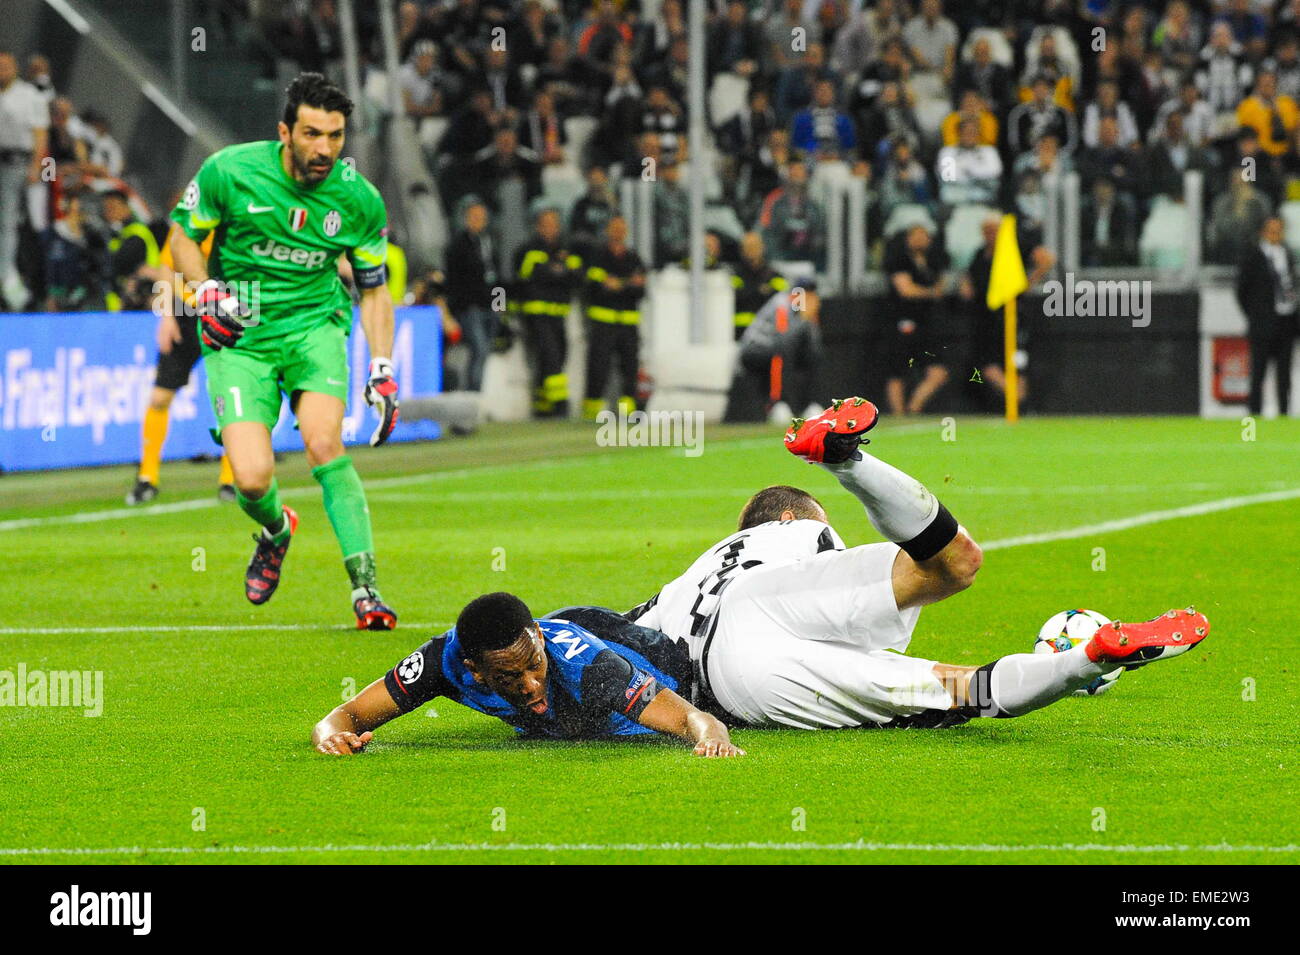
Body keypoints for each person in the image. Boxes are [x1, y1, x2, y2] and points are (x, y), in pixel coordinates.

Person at [626, 398, 1211, 730]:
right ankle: (846, 460)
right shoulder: (796, 535)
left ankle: (1089, 659)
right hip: (766, 607)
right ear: (793, 520)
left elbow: (601, 638)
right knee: (953, 566)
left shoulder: (688, 578)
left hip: (733, 686)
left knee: (962, 692)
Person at [169, 73, 400, 630]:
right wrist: (204, 291)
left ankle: (366, 590)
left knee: (324, 442)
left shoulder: (358, 200)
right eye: (312, 134)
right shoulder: (230, 170)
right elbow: (181, 235)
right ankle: (276, 530)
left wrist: (383, 366)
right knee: (250, 478)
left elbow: (373, 288)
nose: (324, 149)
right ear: (285, 131)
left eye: (336, 136)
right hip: (239, 334)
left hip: (313, 329)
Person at [311, 593, 744, 758]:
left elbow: (694, 719)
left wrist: (712, 740)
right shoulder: (442, 662)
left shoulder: (591, 669)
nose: (530, 685)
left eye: (533, 666)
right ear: (472, 670)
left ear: (536, 639)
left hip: (670, 660)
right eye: (507, 677)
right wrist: (331, 736)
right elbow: (345, 715)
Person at [126, 220, 235, 505]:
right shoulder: (190, 218)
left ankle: (231, 479)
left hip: (227, 311)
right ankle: (147, 478)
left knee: (233, 396)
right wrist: (166, 316)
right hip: (185, 313)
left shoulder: (238, 215)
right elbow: (167, 265)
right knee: (160, 397)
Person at [511, 206, 581, 417]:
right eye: (546, 224)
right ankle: (560, 403)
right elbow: (530, 275)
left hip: (559, 313)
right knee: (551, 355)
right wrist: (558, 271)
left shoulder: (565, 249)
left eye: (554, 223)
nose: (550, 228)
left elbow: (577, 276)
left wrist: (556, 270)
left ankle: (542, 406)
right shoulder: (528, 249)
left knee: (556, 356)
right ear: (537, 226)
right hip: (537, 314)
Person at [581, 214, 645, 419]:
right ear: (607, 230)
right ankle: (592, 410)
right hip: (603, 321)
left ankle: (628, 410)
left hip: (628, 322)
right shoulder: (597, 255)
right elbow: (595, 286)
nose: (618, 232)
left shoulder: (633, 257)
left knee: (630, 366)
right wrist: (626, 284)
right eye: (614, 227)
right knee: (598, 366)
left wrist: (619, 284)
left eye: (621, 228)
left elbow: (640, 287)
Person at [882, 224, 950, 415]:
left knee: (938, 371)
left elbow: (941, 285)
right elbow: (906, 290)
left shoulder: (933, 261)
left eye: (924, 235)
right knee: (898, 370)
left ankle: (913, 407)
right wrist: (930, 292)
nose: (920, 239)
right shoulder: (899, 260)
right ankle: (897, 413)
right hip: (903, 321)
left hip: (928, 323)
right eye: (915, 235)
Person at [0, 50, 48, 310]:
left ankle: (7, 273)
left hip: (20, 164)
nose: (2, 70)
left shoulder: (28, 95)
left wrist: (36, 166)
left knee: (13, 222)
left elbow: (40, 133)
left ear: (15, 67)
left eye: (6, 65)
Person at [1237, 216, 1299, 416]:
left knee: (1284, 374)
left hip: (1286, 323)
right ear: (1263, 233)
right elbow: (1242, 291)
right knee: (1258, 372)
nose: (1276, 235)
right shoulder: (1253, 256)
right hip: (1262, 324)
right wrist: (1256, 315)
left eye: (1279, 231)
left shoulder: (1287, 254)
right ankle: (1255, 412)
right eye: (1272, 231)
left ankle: (1283, 411)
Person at [443, 195, 498, 392]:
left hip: (488, 307)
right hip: (470, 308)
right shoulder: (458, 245)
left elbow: (496, 275)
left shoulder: (489, 242)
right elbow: (455, 280)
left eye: (481, 217)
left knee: (483, 351)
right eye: (474, 217)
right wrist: (459, 307)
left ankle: (474, 395)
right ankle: (472, 397)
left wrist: (498, 306)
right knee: (479, 350)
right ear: (466, 218)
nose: (478, 221)